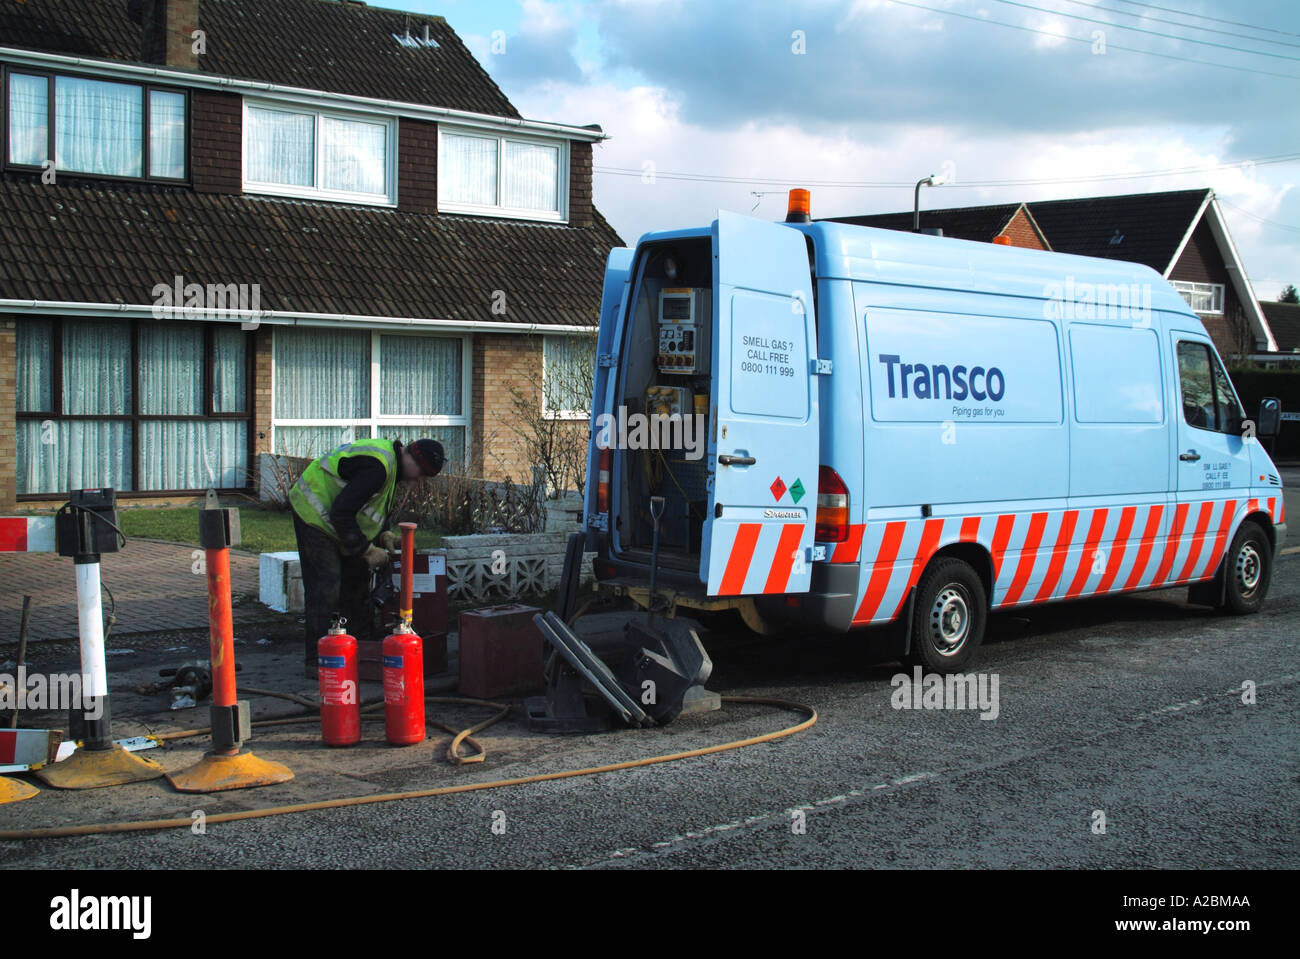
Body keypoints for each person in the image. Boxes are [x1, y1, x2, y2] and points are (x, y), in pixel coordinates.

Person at [289, 437, 445, 677]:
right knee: (326, 585)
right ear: (412, 458)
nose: (419, 480)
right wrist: (366, 550)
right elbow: (342, 511)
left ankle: (360, 645)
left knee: (357, 578)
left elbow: (370, 505)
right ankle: (317, 660)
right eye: (421, 473)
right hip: (313, 511)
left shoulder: (391, 466)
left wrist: (383, 533)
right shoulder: (379, 468)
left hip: (334, 516)